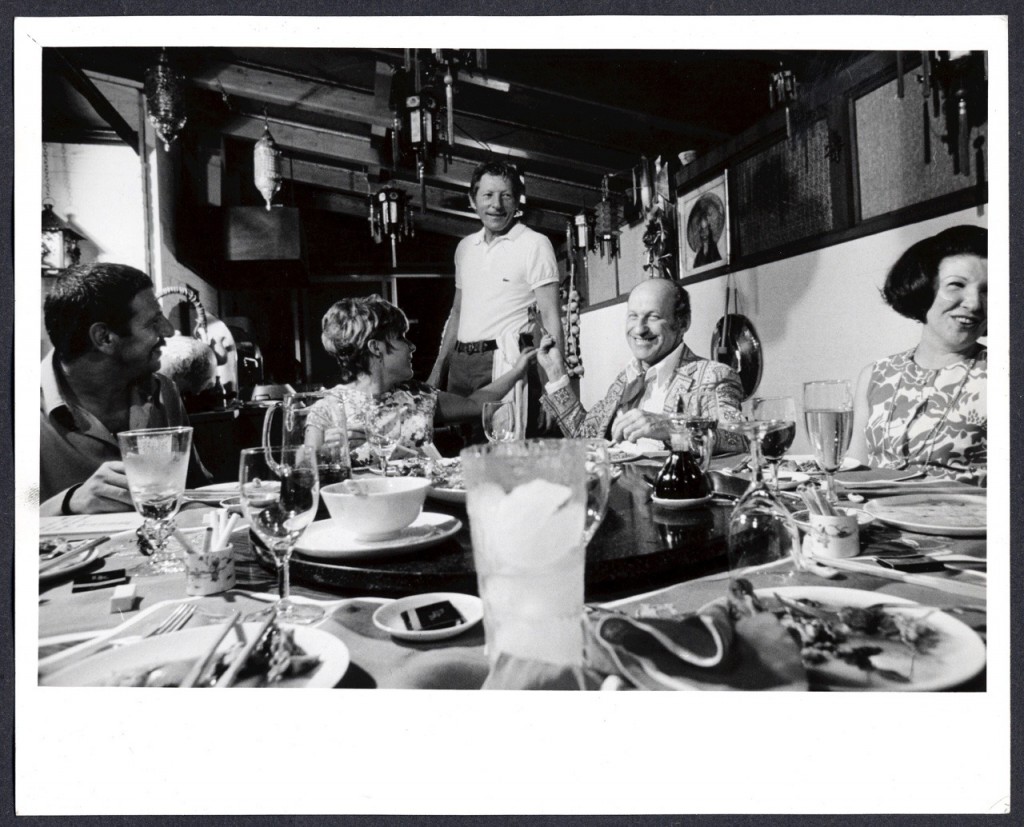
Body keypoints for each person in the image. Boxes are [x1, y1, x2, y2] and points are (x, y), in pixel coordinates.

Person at [40, 263, 202, 515]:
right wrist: (68, 503)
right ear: (104, 338)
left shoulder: (164, 391)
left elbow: (193, 491)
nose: (169, 331)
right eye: (153, 322)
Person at [309, 295, 536, 464]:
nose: (411, 346)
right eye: (400, 338)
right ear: (376, 348)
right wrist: (325, 455)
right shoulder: (328, 408)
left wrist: (517, 370)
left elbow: (477, 405)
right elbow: (302, 469)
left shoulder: (418, 397)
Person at [426, 159, 564, 437]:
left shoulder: (534, 244)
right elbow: (457, 313)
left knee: (505, 445)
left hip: (505, 361)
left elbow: (551, 316)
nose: (496, 205)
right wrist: (438, 369)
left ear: (517, 202)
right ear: (472, 199)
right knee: (465, 450)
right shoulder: (465, 248)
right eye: (487, 195)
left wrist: (556, 388)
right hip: (460, 364)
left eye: (506, 196)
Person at [849, 225, 987, 486]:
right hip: (877, 521)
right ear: (924, 288)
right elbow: (855, 468)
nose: (974, 303)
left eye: (987, 290)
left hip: (966, 523)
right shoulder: (875, 374)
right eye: (957, 285)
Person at [536, 278, 744, 450]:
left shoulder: (713, 375)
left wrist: (670, 427)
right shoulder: (625, 380)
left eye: (653, 317)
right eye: (633, 316)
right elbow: (585, 437)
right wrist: (555, 373)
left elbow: (741, 438)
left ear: (683, 323)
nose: (639, 329)